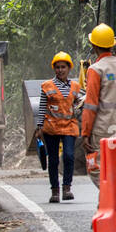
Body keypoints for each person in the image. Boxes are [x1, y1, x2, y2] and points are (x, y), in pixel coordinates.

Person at [80, 23, 116, 188]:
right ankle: (110, 205)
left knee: (96, 169)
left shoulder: (96, 69)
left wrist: (85, 133)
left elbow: (90, 105)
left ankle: (109, 203)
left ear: (94, 45)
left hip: (103, 129)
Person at [33, 52, 81, 204]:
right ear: (54, 69)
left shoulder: (75, 86)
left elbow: (79, 103)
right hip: (51, 128)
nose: (60, 70)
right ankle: (55, 191)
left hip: (69, 127)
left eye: (63, 67)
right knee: (53, 160)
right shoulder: (47, 86)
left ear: (69, 68)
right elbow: (42, 108)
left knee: (68, 156)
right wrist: (39, 127)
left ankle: (67, 188)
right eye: (58, 67)